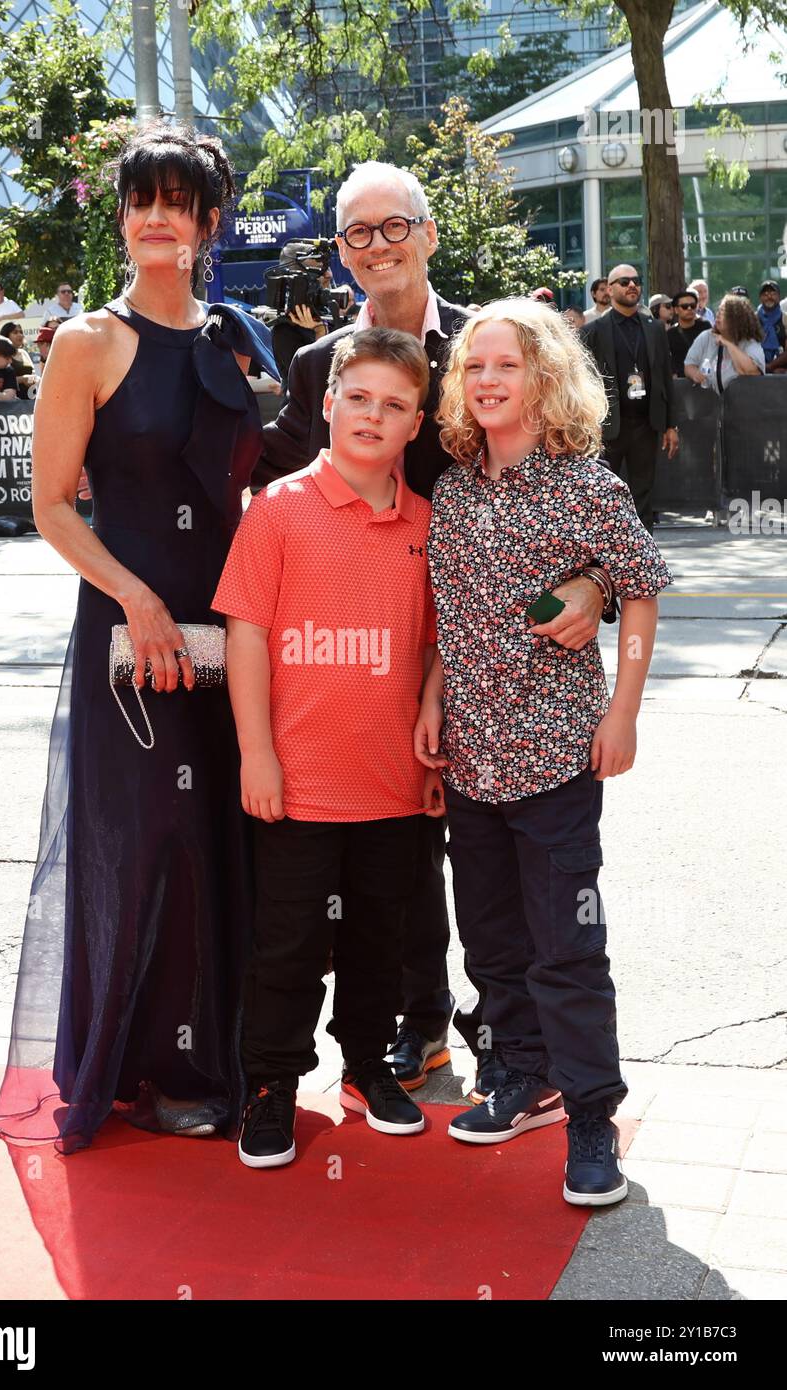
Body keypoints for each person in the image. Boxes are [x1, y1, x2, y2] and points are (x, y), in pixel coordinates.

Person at [257, 159, 609, 1093]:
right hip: (369, 649)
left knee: (501, 865)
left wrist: (591, 585)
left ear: (429, 233)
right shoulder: (315, 365)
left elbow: (583, 492)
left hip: (490, 658)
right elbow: (284, 487)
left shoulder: (492, 343)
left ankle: (519, 1044)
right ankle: (418, 1026)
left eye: (393, 226)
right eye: (357, 233)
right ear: (340, 253)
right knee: (402, 857)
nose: (377, 246)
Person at [0, 119, 278, 1154]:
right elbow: (55, 505)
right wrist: (136, 599)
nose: (157, 219)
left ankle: (217, 1062)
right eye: (140, 201)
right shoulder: (86, 341)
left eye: (178, 204)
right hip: (131, 626)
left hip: (233, 618)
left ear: (206, 223)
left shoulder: (237, 334)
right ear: (123, 218)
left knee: (224, 838)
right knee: (144, 837)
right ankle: (137, 1060)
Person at [417, 297, 671, 1205]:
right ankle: (521, 1078)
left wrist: (624, 713)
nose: (488, 380)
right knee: (490, 944)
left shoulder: (586, 486)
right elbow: (452, 613)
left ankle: (592, 1120)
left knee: (566, 947)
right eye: (474, 366)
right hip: (472, 762)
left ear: (545, 378)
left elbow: (640, 591)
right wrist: (434, 696)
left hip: (560, 758)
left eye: (508, 366)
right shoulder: (450, 488)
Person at [213, 327, 444, 1168]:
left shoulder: (428, 524)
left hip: (389, 780)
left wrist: (428, 741)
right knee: (288, 944)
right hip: (298, 780)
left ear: (416, 424)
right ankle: (271, 1084)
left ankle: (365, 1070)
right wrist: (256, 754)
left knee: (379, 938)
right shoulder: (277, 510)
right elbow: (245, 637)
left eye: (394, 406)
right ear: (327, 402)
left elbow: (432, 646)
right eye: (360, 398)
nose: (373, 416)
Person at [580, 263, 678, 532]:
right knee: (603, 495)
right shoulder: (594, 330)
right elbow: (583, 381)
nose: (632, 285)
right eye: (624, 282)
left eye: (636, 281)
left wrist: (671, 424)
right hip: (607, 427)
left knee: (643, 494)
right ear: (609, 290)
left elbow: (664, 378)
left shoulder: (654, 327)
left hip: (646, 424)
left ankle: (645, 557)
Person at [684, 293, 765, 393]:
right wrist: (695, 375)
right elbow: (689, 364)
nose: (718, 314)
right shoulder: (706, 337)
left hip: (743, 403)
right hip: (711, 404)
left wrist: (728, 344)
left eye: (723, 312)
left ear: (736, 318)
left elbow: (751, 372)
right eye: (718, 310)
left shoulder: (749, 342)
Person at [667, 289, 705, 378]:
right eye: (684, 306)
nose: (689, 308)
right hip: (681, 381)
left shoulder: (705, 327)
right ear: (676, 310)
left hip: (704, 379)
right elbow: (666, 359)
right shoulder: (670, 334)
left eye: (693, 305)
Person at [0, 321, 37, 389]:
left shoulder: (24, 353)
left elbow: (33, 373)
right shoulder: (2, 355)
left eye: (21, 332)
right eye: (15, 332)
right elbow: (0, 380)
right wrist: (22, 379)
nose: (20, 335)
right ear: (6, 336)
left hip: (31, 396)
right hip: (12, 397)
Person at [756, 280, 786, 366]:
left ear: (779, 297)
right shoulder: (753, 320)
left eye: (773, 294)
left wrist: (770, 367)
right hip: (756, 367)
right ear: (760, 297)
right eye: (765, 294)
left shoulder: (785, 319)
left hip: (781, 370)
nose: (769, 297)